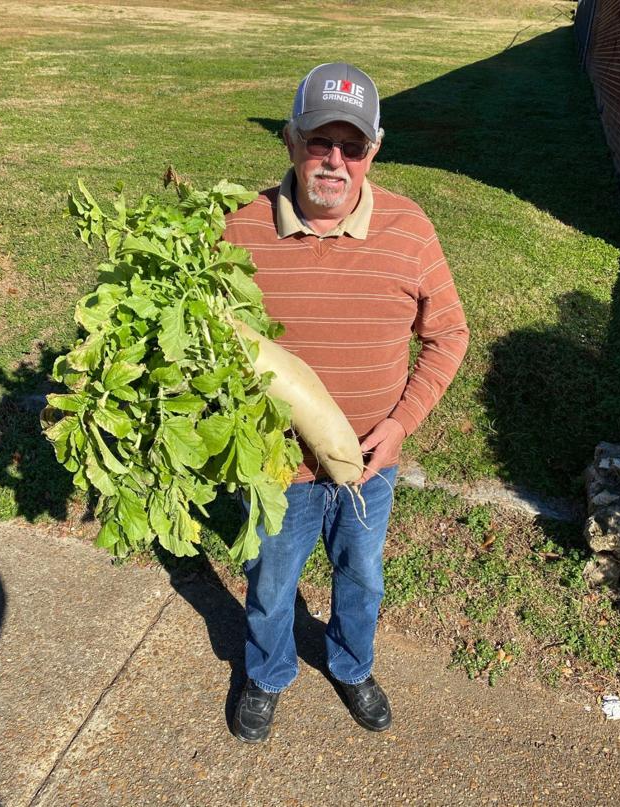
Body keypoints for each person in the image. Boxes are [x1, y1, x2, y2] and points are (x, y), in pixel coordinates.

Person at [223, 62, 469, 743]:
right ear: (290, 139)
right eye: (317, 142)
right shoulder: (239, 230)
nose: (334, 161)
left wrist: (400, 424)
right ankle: (268, 673)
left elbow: (449, 335)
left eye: (351, 146)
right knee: (271, 583)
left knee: (361, 579)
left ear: (373, 151)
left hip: (371, 465)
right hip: (277, 469)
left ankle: (352, 664)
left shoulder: (409, 230)